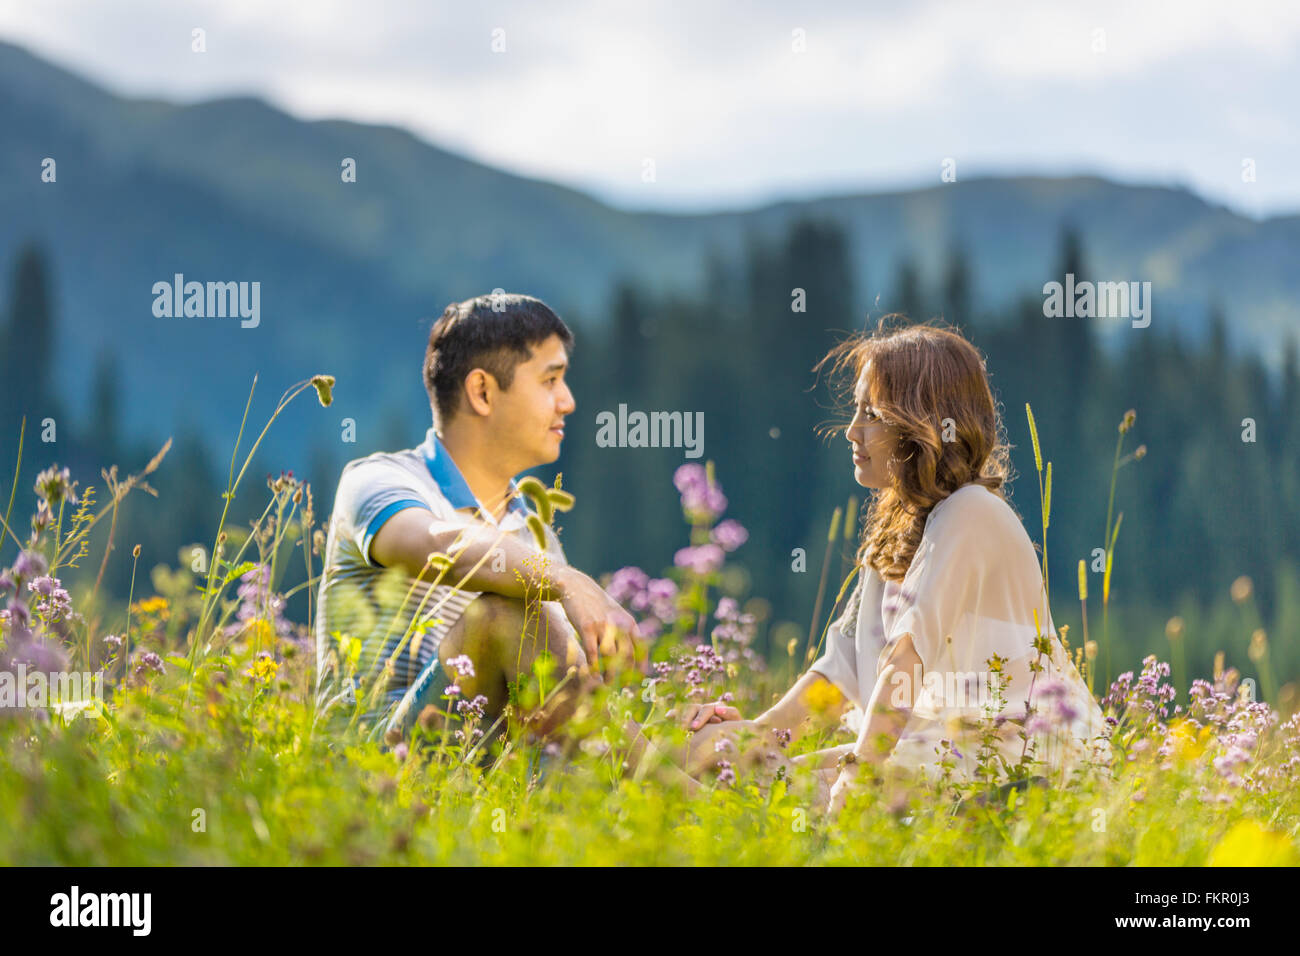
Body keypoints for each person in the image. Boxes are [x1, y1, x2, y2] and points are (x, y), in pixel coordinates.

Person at [688, 319, 1112, 814]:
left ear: (922, 424)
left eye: (872, 414)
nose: (851, 431)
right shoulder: (899, 527)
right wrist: (756, 737)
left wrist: (860, 774)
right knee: (716, 760)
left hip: (1017, 768)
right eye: (855, 411)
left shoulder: (972, 512)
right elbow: (839, 673)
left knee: (769, 795)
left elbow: (904, 657)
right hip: (944, 755)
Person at [314, 293, 682, 770]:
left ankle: (693, 793)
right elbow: (437, 546)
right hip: (369, 772)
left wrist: (667, 726)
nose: (568, 401)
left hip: (492, 774)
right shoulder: (378, 481)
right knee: (504, 609)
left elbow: (569, 698)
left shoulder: (531, 530)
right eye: (550, 380)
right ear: (482, 392)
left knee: (721, 741)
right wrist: (567, 580)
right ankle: (688, 811)